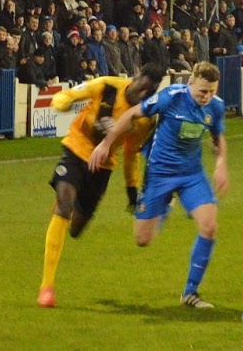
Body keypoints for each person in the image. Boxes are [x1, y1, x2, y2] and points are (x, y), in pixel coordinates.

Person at [89, 60, 228, 310]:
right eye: (203, 91)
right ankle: (165, 206)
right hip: (159, 174)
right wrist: (106, 143)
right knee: (142, 240)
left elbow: (218, 137)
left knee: (209, 227)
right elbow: (132, 114)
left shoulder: (215, 107)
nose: (207, 97)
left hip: (191, 175)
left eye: (212, 91)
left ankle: (190, 293)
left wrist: (220, 163)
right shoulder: (171, 97)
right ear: (191, 83)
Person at [36, 62, 167, 308]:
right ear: (135, 75)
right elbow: (69, 94)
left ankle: (69, 209)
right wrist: (61, 103)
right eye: (142, 89)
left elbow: (131, 152)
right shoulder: (106, 85)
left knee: (75, 229)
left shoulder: (143, 118)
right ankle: (47, 287)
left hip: (102, 167)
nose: (143, 95)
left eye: (149, 93)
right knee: (64, 205)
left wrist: (131, 187)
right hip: (75, 149)